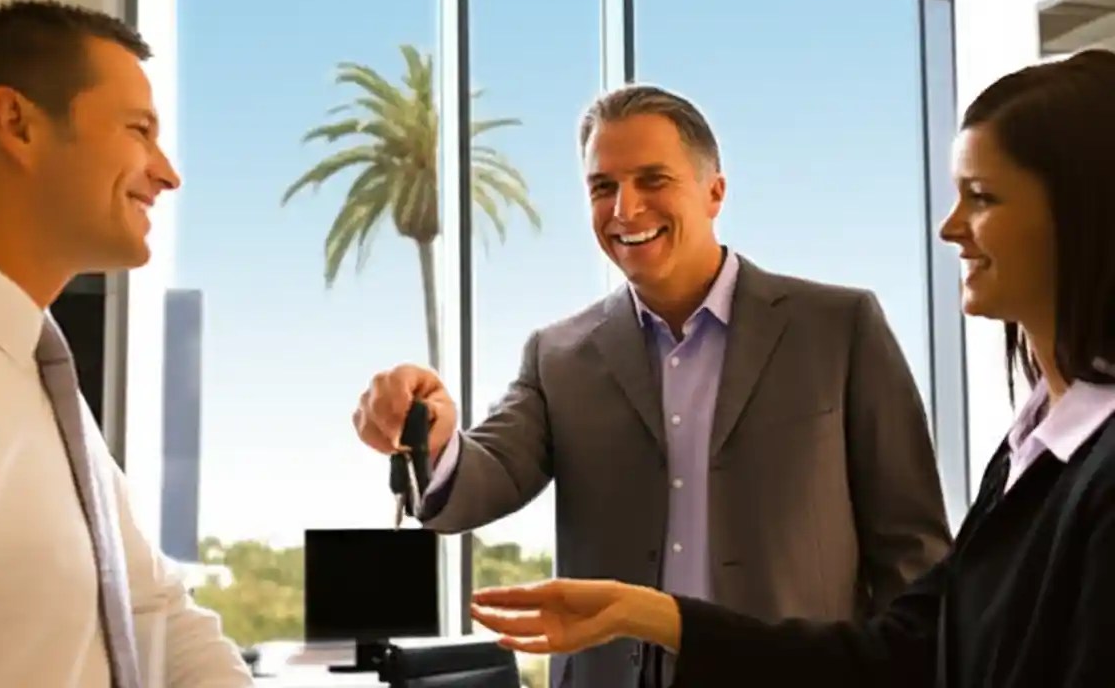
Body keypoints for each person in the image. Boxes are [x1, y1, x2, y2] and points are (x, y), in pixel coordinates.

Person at [468, 48, 1115, 688]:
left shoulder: (845, 329)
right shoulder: (1027, 454)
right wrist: (646, 613)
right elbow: (912, 645)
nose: (950, 228)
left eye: (982, 197)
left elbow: (915, 593)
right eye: (602, 187)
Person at [353, 83, 951, 685]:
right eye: (602, 187)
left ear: (714, 191)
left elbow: (911, 552)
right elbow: (487, 474)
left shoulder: (839, 328)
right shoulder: (558, 355)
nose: (624, 209)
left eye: (653, 180)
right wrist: (432, 434)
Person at [0, 0, 253, 687]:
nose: (167, 173)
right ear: (16, 124)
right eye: (139, 130)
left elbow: (155, 614)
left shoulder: (36, 378)